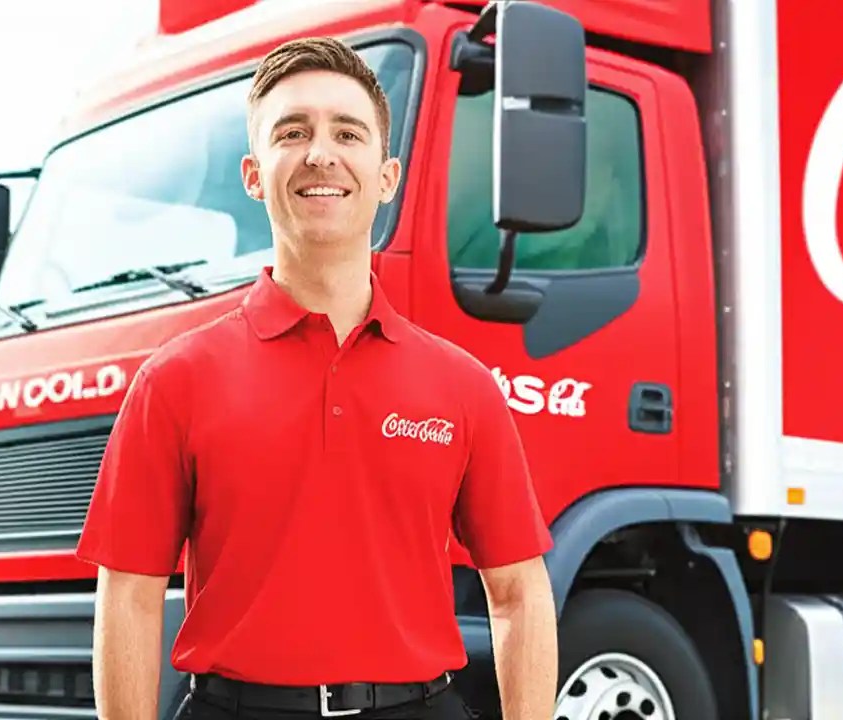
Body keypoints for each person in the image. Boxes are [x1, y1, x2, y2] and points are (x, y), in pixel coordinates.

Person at [75, 36, 559, 720]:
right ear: (254, 174)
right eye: (293, 132)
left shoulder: (464, 387)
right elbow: (128, 596)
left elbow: (519, 593)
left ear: (387, 177)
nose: (320, 153)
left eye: (347, 133)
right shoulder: (174, 381)